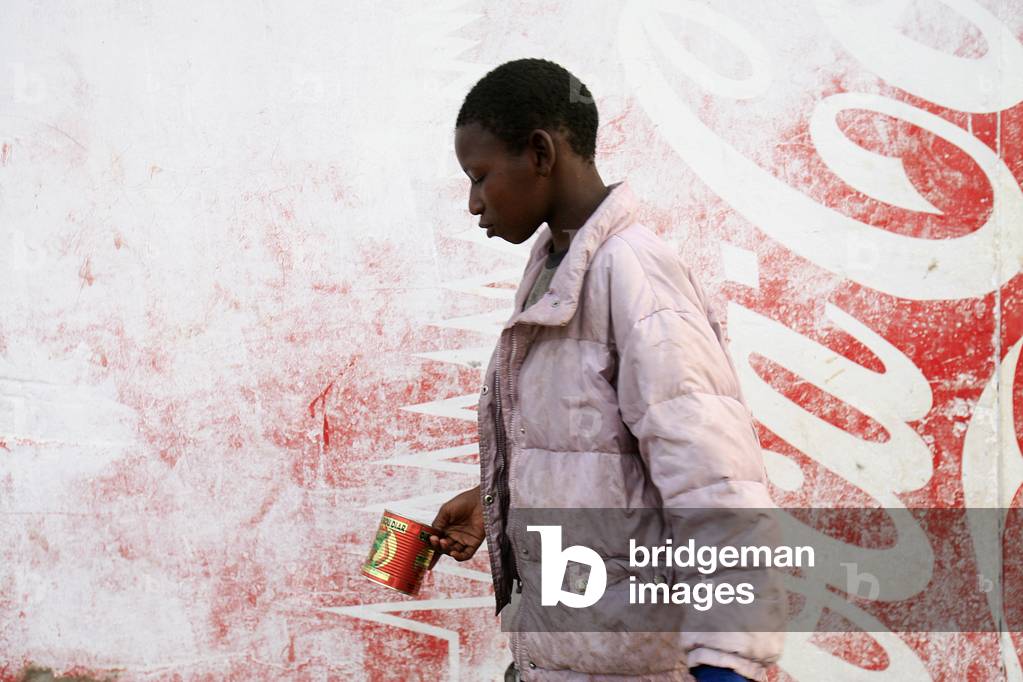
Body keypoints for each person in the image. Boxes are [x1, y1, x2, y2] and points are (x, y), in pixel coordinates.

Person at [428, 58, 784, 681]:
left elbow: (714, 482)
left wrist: (728, 662)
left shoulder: (636, 275)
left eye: (480, 176)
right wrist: (498, 503)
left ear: (540, 153)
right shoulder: (555, 269)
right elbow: (588, 449)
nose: (473, 202)